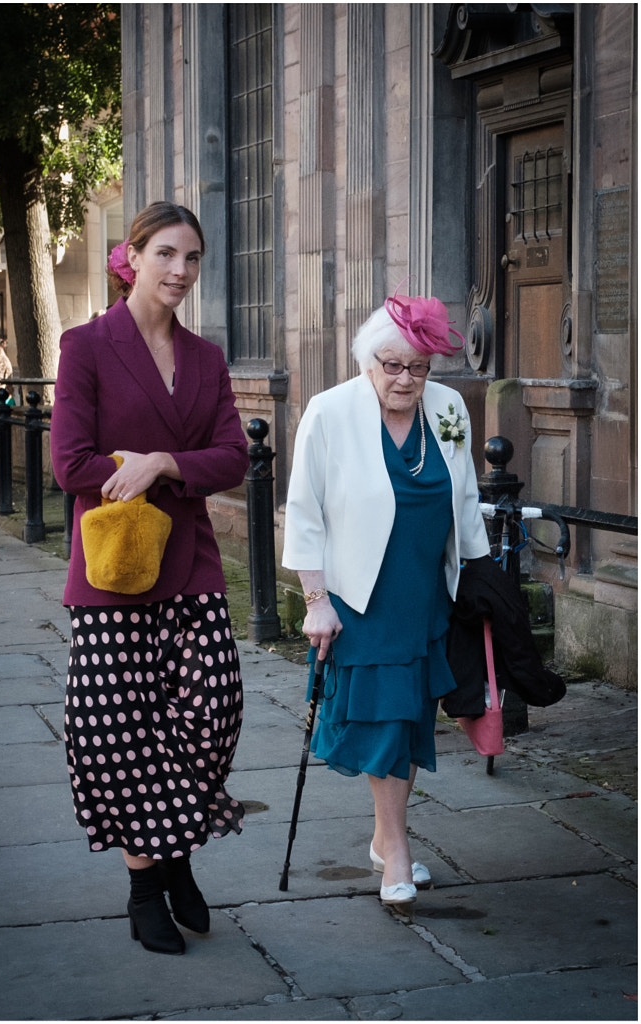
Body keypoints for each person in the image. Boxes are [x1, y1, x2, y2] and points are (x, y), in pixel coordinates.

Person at [50, 201, 249, 956]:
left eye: (192, 258)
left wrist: (163, 462)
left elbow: (232, 456)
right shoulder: (87, 346)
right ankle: (148, 884)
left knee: (215, 710)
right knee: (118, 732)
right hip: (114, 576)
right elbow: (69, 464)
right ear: (131, 256)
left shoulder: (207, 358)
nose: (180, 271)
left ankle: (176, 850)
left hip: (191, 563)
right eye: (166, 253)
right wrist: (132, 470)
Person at [282, 288, 490, 908]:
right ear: (367, 360)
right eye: (393, 365)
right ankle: (396, 851)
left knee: (413, 720)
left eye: (419, 366)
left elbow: (466, 497)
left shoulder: (449, 407)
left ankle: (383, 836)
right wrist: (315, 599)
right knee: (384, 722)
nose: (407, 378)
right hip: (361, 597)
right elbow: (304, 512)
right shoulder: (330, 411)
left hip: (427, 595)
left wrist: (477, 582)